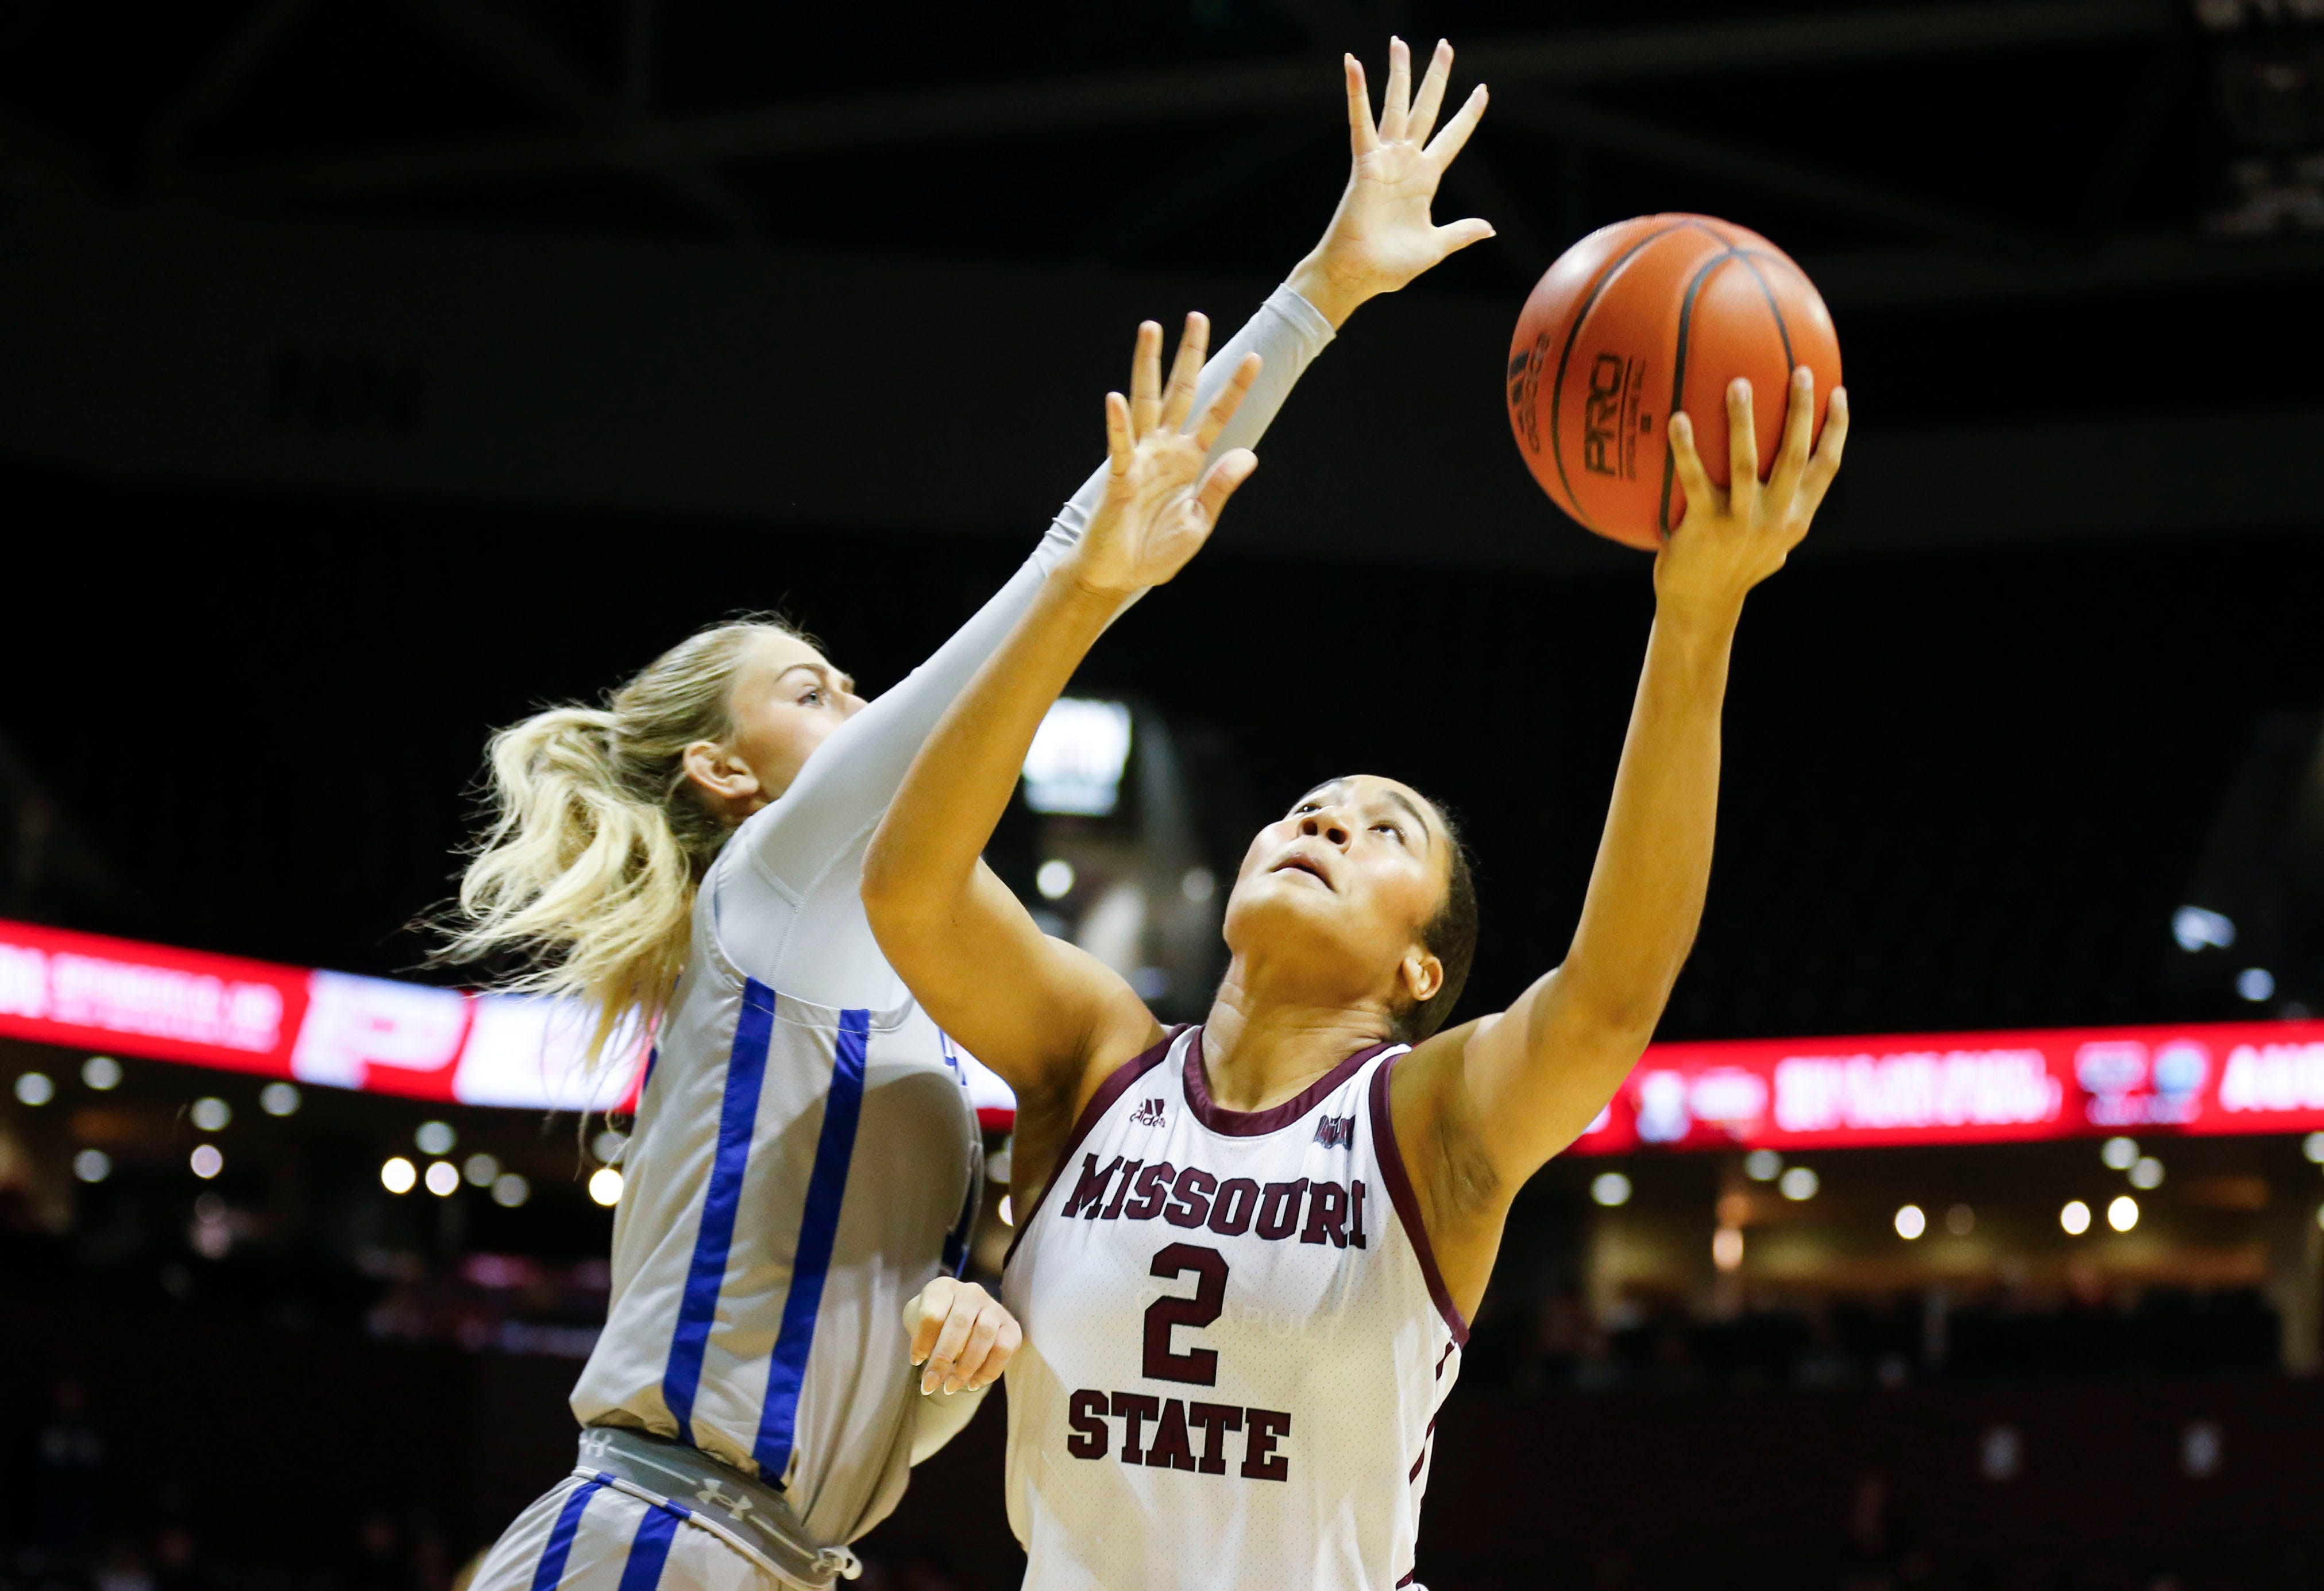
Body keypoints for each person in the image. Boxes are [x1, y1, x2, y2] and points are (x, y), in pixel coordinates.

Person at [450, 35, 1497, 1591]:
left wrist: (970, 1333)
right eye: (809, 693)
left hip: (786, 1554)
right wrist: (1318, 298)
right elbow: (1066, 560)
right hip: (657, 1533)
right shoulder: (772, 888)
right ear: (724, 773)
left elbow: (900, 1403)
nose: (862, 710)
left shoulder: (923, 1021)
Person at [856, 63, 1850, 1584]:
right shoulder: (1100, 1061)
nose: (1326, 818)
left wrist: (1694, 617)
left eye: (1386, 832)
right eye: (1313, 808)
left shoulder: (1430, 1130)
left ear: (1419, 973)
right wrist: (1086, 590)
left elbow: (1610, 998)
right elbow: (911, 884)